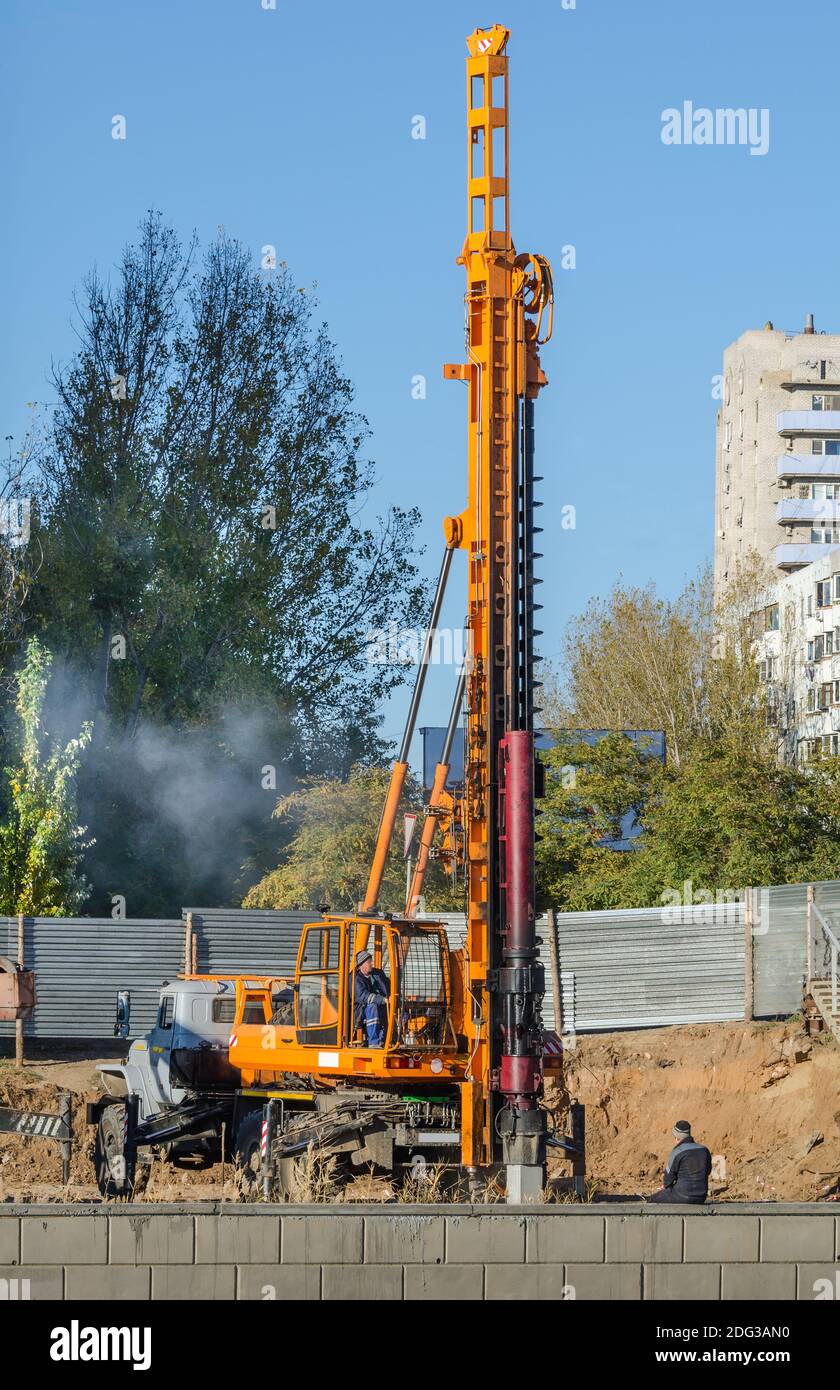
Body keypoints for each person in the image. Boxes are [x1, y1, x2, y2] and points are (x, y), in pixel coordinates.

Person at [648, 1120, 712, 1205]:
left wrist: (665, 1187)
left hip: (682, 1195)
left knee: (653, 1198)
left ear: (677, 1137)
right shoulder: (704, 1150)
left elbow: (668, 1178)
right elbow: (707, 1171)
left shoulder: (677, 1151)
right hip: (701, 1197)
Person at [353, 949, 389, 1046]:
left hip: (380, 1004)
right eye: (369, 962)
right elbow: (362, 996)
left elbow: (388, 987)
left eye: (371, 961)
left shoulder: (378, 974)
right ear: (361, 965)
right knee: (373, 1006)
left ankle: (385, 1040)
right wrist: (382, 999)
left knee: (391, 1009)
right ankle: (374, 1042)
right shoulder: (355, 979)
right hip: (361, 1009)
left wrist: (391, 998)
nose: (372, 964)